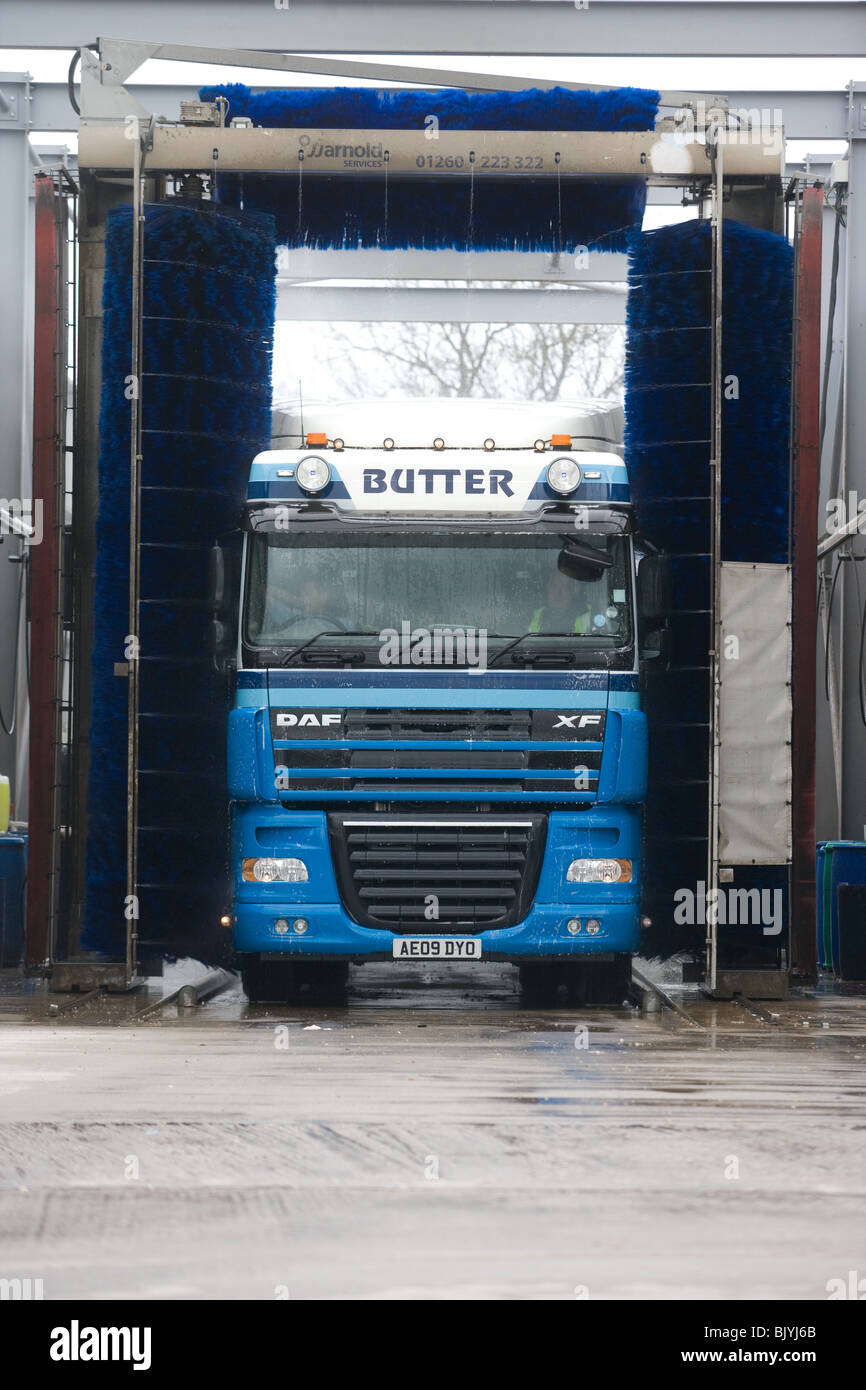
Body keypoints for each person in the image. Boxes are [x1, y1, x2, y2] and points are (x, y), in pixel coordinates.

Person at [529, 568, 594, 635]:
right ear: (547, 588)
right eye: (554, 586)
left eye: (564, 586)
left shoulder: (591, 614)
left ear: (573, 590)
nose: (557, 593)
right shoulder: (532, 616)